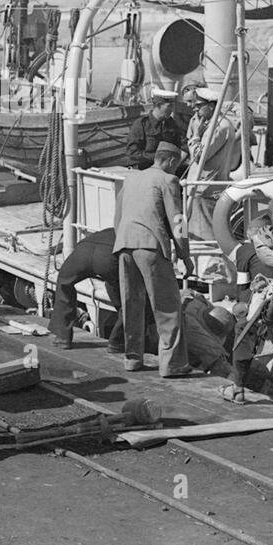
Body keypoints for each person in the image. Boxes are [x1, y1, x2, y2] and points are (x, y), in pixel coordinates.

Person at [112, 141, 194, 376]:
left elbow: (117, 217)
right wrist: (185, 255)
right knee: (167, 306)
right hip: (150, 246)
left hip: (124, 244)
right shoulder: (168, 181)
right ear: (169, 161)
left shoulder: (131, 179)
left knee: (131, 303)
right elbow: (178, 222)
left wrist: (124, 240)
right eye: (176, 165)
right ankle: (172, 364)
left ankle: (133, 358)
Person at [185, 85, 243, 240]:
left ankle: (211, 262)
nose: (195, 109)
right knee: (196, 231)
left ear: (211, 106)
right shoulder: (213, 124)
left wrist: (195, 137)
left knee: (205, 235)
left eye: (198, 106)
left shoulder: (219, 127)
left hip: (205, 189)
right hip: (202, 187)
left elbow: (200, 156)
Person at [126, 90, 182, 169]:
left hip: (168, 169)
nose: (172, 110)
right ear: (159, 105)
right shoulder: (141, 124)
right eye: (169, 106)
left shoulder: (171, 123)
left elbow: (180, 145)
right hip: (146, 169)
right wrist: (158, 158)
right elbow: (132, 153)